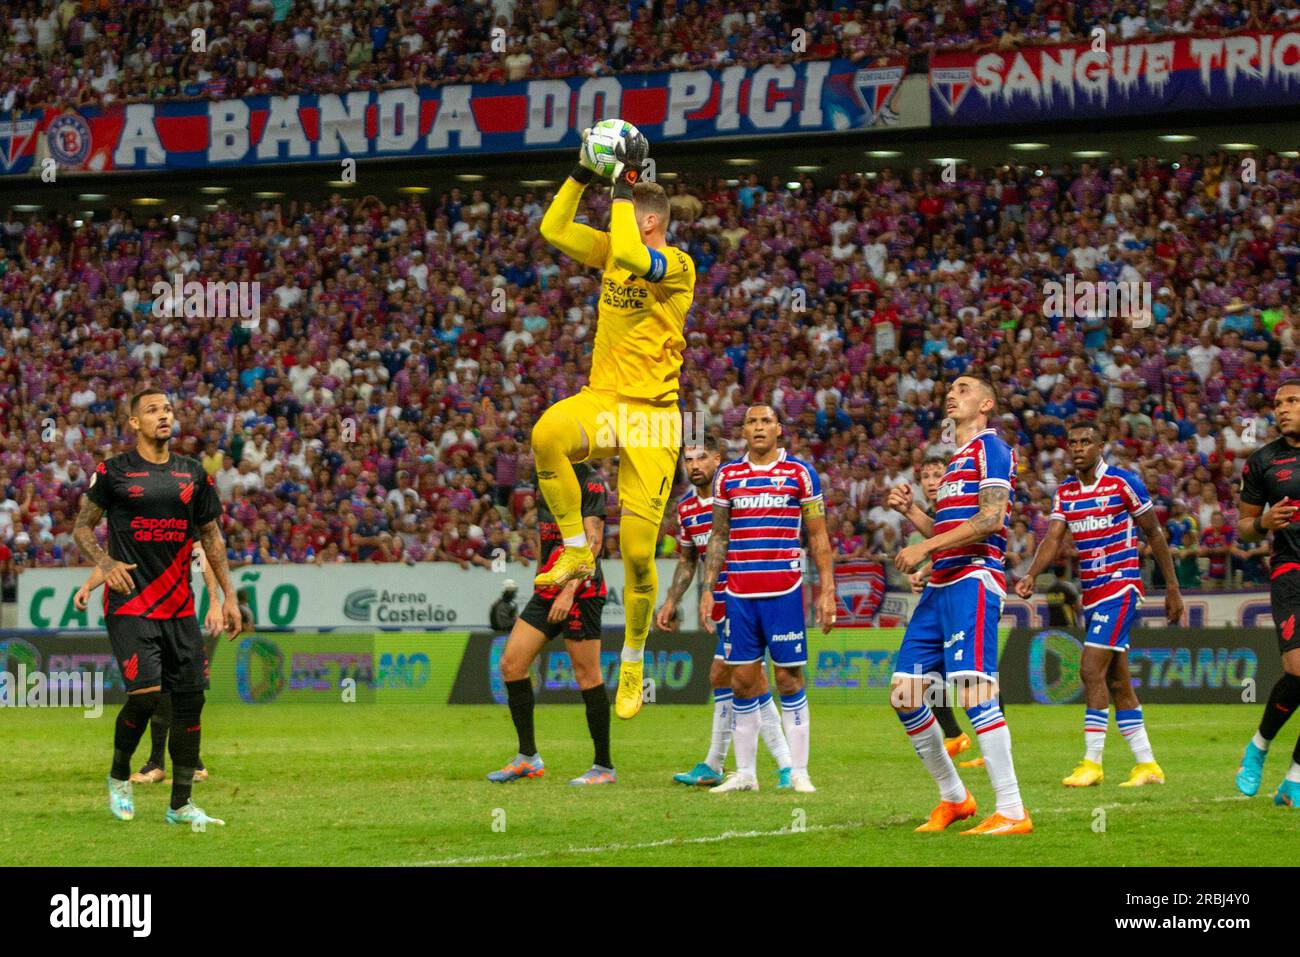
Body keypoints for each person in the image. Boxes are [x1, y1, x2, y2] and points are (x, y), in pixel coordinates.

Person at [531, 126, 695, 721]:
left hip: (653, 419)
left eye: (626, 209)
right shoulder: (610, 246)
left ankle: (632, 656)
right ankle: (574, 549)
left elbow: (628, 253)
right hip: (604, 401)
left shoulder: (675, 264)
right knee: (546, 434)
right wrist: (581, 173)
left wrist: (621, 187)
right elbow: (552, 229)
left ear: (648, 220)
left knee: (637, 553)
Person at [73, 388, 241, 828]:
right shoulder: (114, 472)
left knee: (189, 703)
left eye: (167, 408)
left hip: (180, 608)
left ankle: (180, 804)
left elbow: (212, 537)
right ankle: (118, 776)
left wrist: (228, 596)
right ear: (134, 423)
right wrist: (105, 564)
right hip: (130, 603)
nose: (163, 415)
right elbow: (81, 528)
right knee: (145, 698)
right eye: (152, 410)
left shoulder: (192, 474)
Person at [888, 376, 1032, 834]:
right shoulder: (955, 461)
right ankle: (956, 798)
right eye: (950, 389)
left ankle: (1012, 810)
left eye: (964, 389)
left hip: (973, 580)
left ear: (986, 403)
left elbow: (990, 520)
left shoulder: (994, 449)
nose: (953, 393)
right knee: (905, 694)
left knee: (972, 692)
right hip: (941, 586)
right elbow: (949, 529)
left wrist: (924, 552)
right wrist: (913, 515)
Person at [1016, 420, 1183, 789]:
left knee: (1091, 669)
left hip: (1122, 586)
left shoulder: (1123, 484)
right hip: (1091, 593)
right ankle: (1147, 765)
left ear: (1100, 446)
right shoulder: (1066, 493)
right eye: (1072, 442)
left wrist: (1172, 587)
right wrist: (1031, 573)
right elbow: (1053, 538)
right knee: (1117, 681)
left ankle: (1092, 763)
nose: (1077, 448)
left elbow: (1154, 532)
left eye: (1085, 442)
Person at [698, 406, 836, 794]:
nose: (758, 428)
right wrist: (709, 589)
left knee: (788, 679)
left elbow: (819, 536)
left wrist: (828, 589)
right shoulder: (727, 476)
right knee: (742, 681)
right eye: (751, 422)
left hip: (784, 590)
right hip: (740, 592)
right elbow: (719, 538)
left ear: (778, 429)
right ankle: (745, 774)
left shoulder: (800, 474)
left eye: (765, 422)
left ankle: (799, 771)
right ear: (743, 431)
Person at [656, 436, 794, 788]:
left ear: (717, 459)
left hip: (749, 597)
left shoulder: (737, 494)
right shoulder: (686, 508)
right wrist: (672, 600)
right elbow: (688, 560)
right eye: (689, 460)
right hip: (719, 603)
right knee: (730, 679)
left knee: (737, 676)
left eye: (702, 458)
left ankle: (783, 765)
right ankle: (721, 765)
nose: (695, 466)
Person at [487, 463, 615, 786]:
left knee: (587, 675)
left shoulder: (591, 483)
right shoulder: (546, 480)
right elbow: (544, 538)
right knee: (511, 663)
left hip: (582, 589)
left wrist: (568, 592)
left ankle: (603, 767)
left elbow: (593, 543)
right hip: (548, 590)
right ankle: (528, 758)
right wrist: (539, 583)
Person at [73, 542, 227, 784]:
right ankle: (172, 762)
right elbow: (111, 562)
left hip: (175, 614)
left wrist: (214, 599)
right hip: (140, 615)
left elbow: (199, 557)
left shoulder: (181, 517)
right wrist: (88, 586)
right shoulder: (133, 522)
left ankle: (174, 763)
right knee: (156, 690)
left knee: (182, 691)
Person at [892, 454, 984, 768]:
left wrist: (926, 565)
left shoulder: (961, 504)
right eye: (926, 477)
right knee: (927, 674)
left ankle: (988, 747)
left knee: (976, 676)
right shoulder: (937, 514)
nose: (932, 482)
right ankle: (955, 734)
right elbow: (944, 544)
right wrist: (925, 573)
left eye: (937, 475)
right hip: (945, 594)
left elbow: (963, 541)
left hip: (972, 591)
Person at [1233, 379, 1300, 808]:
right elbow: (1242, 527)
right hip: (1291, 572)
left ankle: (1294, 777)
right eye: (1278, 403)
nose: (1282, 409)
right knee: (1298, 669)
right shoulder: (1263, 461)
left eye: (1292, 401)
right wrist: (1264, 523)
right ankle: (1258, 746)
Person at [1042, 563, 1082, 629]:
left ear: (1054, 574)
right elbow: (1077, 606)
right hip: (1068, 624)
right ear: (1065, 573)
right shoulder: (1069, 587)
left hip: (1053, 625)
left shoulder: (1050, 589)